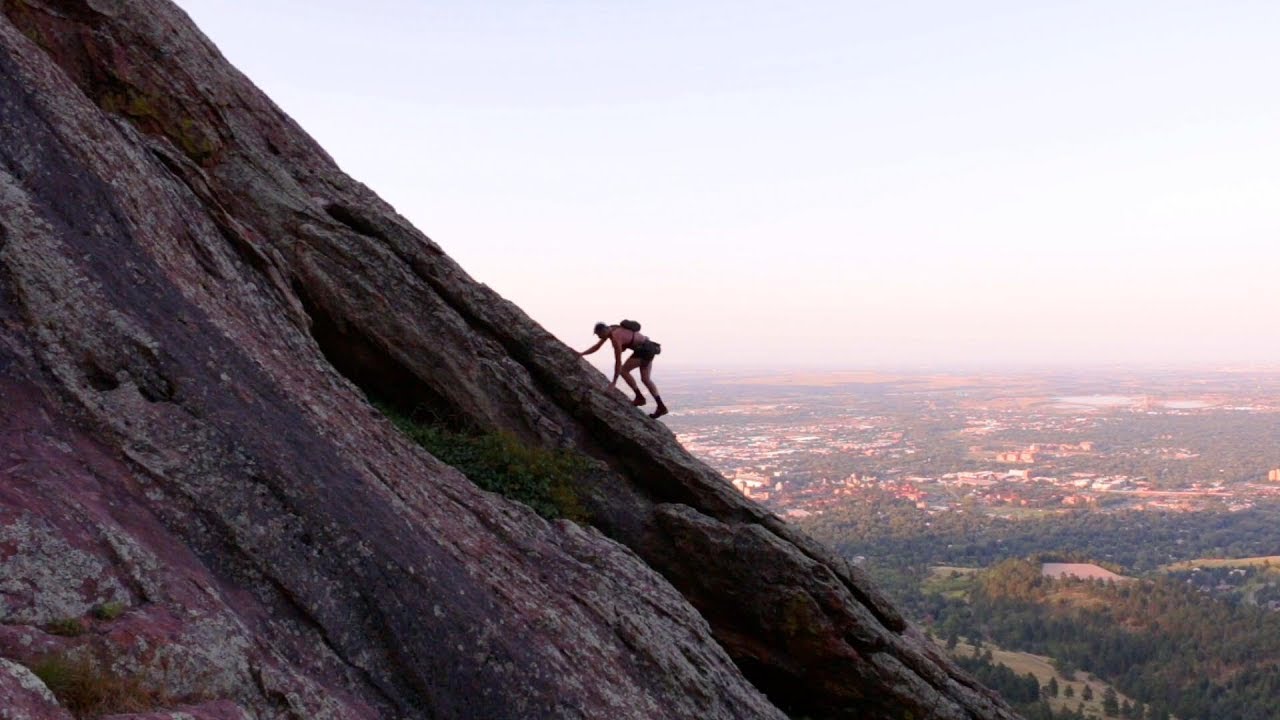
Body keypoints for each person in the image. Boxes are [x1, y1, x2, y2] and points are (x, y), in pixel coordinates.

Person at [579, 321, 668, 419]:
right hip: (650, 347)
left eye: (599, 335)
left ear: (603, 331)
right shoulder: (612, 328)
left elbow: (618, 361)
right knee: (646, 379)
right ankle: (661, 406)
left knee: (623, 370)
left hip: (644, 350)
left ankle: (640, 397)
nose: (599, 338)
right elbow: (597, 346)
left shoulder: (616, 338)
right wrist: (582, 353)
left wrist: (614, 382)